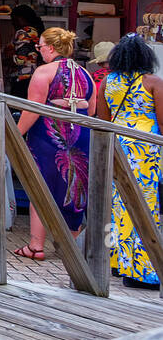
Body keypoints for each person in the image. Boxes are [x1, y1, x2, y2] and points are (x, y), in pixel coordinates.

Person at [14, 27, 93, 261]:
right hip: (80, 134)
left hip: (49, 134)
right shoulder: (86, 74)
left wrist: (15, 134)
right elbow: (92, 110)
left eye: (39, 47)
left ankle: (36, 246)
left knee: (40, 185)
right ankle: (70, 247)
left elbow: (33, 110)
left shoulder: (43, 72)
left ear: (49, 48)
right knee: (75, 185)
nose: (38, 51)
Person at [95, 33, 163, 288]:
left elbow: (102, 120)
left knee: (119, 208)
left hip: (117, 147)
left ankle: (118, 263)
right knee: (145, 207)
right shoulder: (153, 82)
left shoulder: (108, 83)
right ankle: (142, 271)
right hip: (145, 151)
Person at [5, 4, 44, 98]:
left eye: (14, 20)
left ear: (22, 18)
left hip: (23, 78)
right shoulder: (36, 31)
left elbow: (20, 59)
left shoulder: (23, 33)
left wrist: (6, 60)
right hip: (34, 76)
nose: (13, 23)